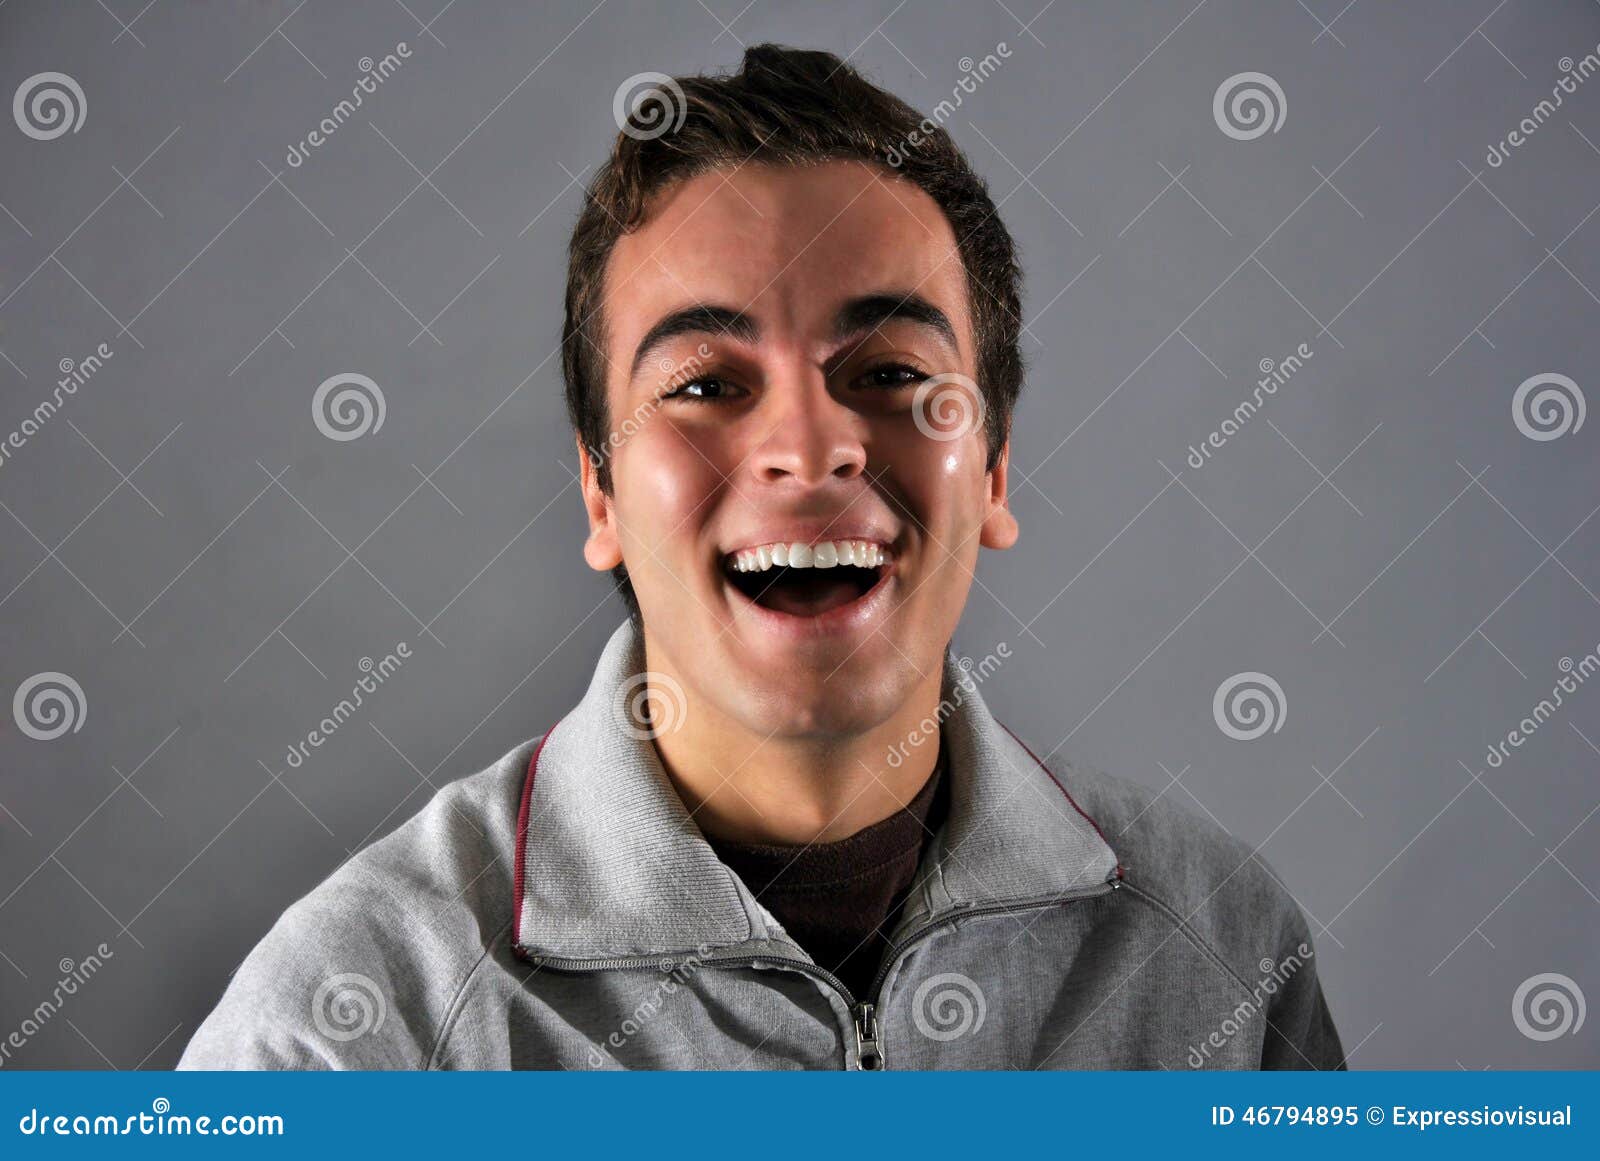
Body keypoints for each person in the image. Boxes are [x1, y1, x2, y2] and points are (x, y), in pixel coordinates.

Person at [179, 44, 1343, 1070]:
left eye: (888, 373)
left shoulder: (1215, 949)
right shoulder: (355, 1027)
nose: (809, 446)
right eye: (704, 386)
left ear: (990, 469)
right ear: (600, 489)